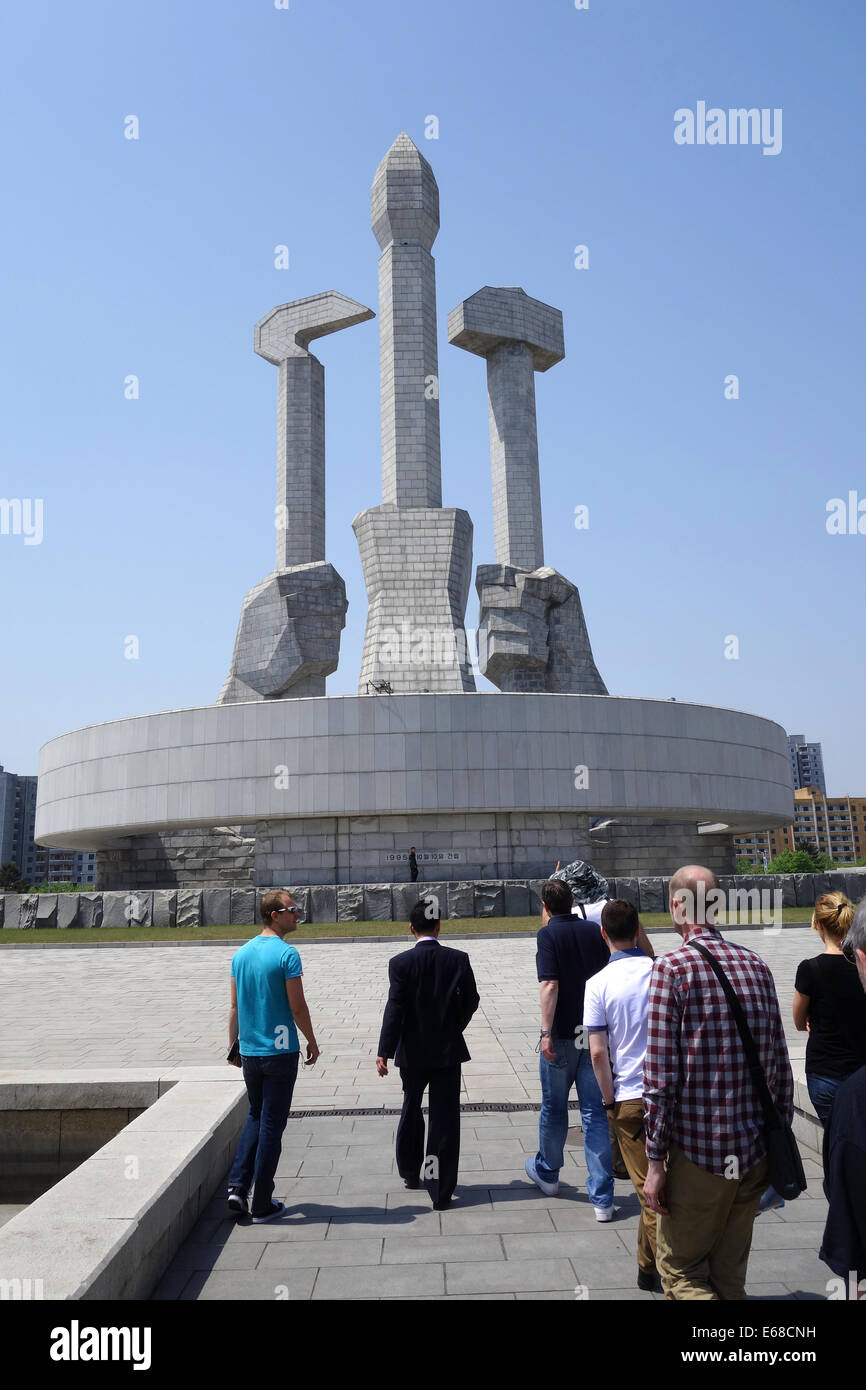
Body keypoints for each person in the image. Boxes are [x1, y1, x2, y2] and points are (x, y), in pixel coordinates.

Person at [642, 865, 794, 1300]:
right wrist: (776, 1141)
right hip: (753, 1154)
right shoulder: (757, 966)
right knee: (729, 1278)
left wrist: (654, 1163)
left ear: (677, 906)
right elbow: (779, 1067)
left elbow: (661, 1080)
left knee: (682, 1271)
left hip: (698, 1155)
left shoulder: (670, 970)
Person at [376, 896, 479, 1209]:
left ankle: (410, 1171)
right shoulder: (458, 959)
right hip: (447, 1050)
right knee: (444, 1119)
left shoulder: (400, 963)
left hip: (412, 1051)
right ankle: (440, 1189)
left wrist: (385, 1050)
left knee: (411, 1106)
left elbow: (395, 1008)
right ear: (439, 926)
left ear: (411, 928)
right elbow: (472, 1000)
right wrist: (454, 1025)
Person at [226, 890, 319, 1222]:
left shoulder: (241, 954)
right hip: (280, 1053)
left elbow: (235, 1007)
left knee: (255, 1115)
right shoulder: (287, 955)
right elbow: (297, 1006)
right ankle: (262, 1202)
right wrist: (312, 1040)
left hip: (251, 1052)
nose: (297, 914)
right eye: (292, 910)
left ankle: (237, 1188)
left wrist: (233, 1045)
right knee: (271, 1125)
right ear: (275, 914)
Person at [525, 878, 615, 1218]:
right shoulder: (594, 931)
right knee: (594, 1113)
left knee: (554, 1107)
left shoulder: (547, 935)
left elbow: (549, 983)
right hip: (592, 1034)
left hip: (562, 1035)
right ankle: (602, 1198)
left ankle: (548, 1172)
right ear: (573, 900)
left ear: (546, 908)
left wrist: (545, 1032)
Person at [584, 898, 659, 1290]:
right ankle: (650, 1268)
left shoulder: (596, 984)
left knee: (652, 1196)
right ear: (638, 930)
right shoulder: (661, 971)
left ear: (602, 934)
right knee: (662, 1189)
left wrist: (609, 1100)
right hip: (669, 1095)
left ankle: (662, 1270)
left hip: (628, 1097)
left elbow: (598, 1052)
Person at [820, 901, 866, 1296]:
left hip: (829, 1078)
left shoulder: (811, 969)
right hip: (857, 1061)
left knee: (841, 1170)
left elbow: (800, 1019)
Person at [793, 892, 866, 1130]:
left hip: (826, 1073)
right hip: (860, 1068)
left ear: (819, 925)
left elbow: (797, 1021)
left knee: (836, 1142)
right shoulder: (860, 964)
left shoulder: (810, 969)